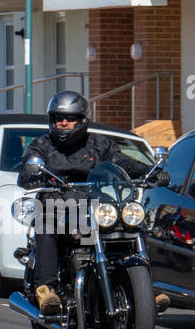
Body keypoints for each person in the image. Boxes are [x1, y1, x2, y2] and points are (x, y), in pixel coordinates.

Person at [16, 90, 168, 316]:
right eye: (58, 118)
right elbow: (26, 169)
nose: (63, 123)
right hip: (58, 207)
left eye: (70, 118)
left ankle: (144, 290)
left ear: (82, 120)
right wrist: (33, 176)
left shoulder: (99, 145)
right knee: (45, 223)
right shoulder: (42, 145)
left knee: (132, 224)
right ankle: (45, 289)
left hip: (94, 207)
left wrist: (150, 172)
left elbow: (122, 162)